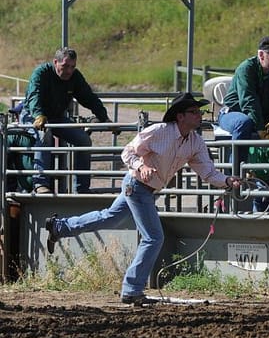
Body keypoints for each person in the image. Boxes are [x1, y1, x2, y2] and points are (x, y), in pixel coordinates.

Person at [44, 91, 242, 306]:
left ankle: (60, 227)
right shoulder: (159, 131)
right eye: (194, 112)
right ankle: (132, 289)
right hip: (137, 185)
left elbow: (208, 173)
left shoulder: (195, 142)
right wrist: (141, 166)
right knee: (153, 237)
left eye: (199, 112)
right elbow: (128, 152)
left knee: (109, 217)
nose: (199, 115)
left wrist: (227, 180)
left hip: (144, 189)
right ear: (180, 116)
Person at [20, 47, 112, 194]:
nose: (69, 71)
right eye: (65, 66)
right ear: (55, 62)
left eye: (72, 67)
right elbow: (34, 95)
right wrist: (38, 115)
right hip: (32, 116)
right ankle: (40, 184)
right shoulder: (41, 73)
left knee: (83, 140)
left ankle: (81, 188)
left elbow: (88, 97)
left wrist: (104, 117)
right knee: (44, 135)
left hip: (57, 117)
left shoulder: (74, 77)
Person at [218, 36, 269, 143]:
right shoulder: (247, 69)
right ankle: (237, 154)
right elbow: (249, 101)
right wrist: (261, 130)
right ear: (261, 55)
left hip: (261, 115)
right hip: (233, 113)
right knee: (243, 123)